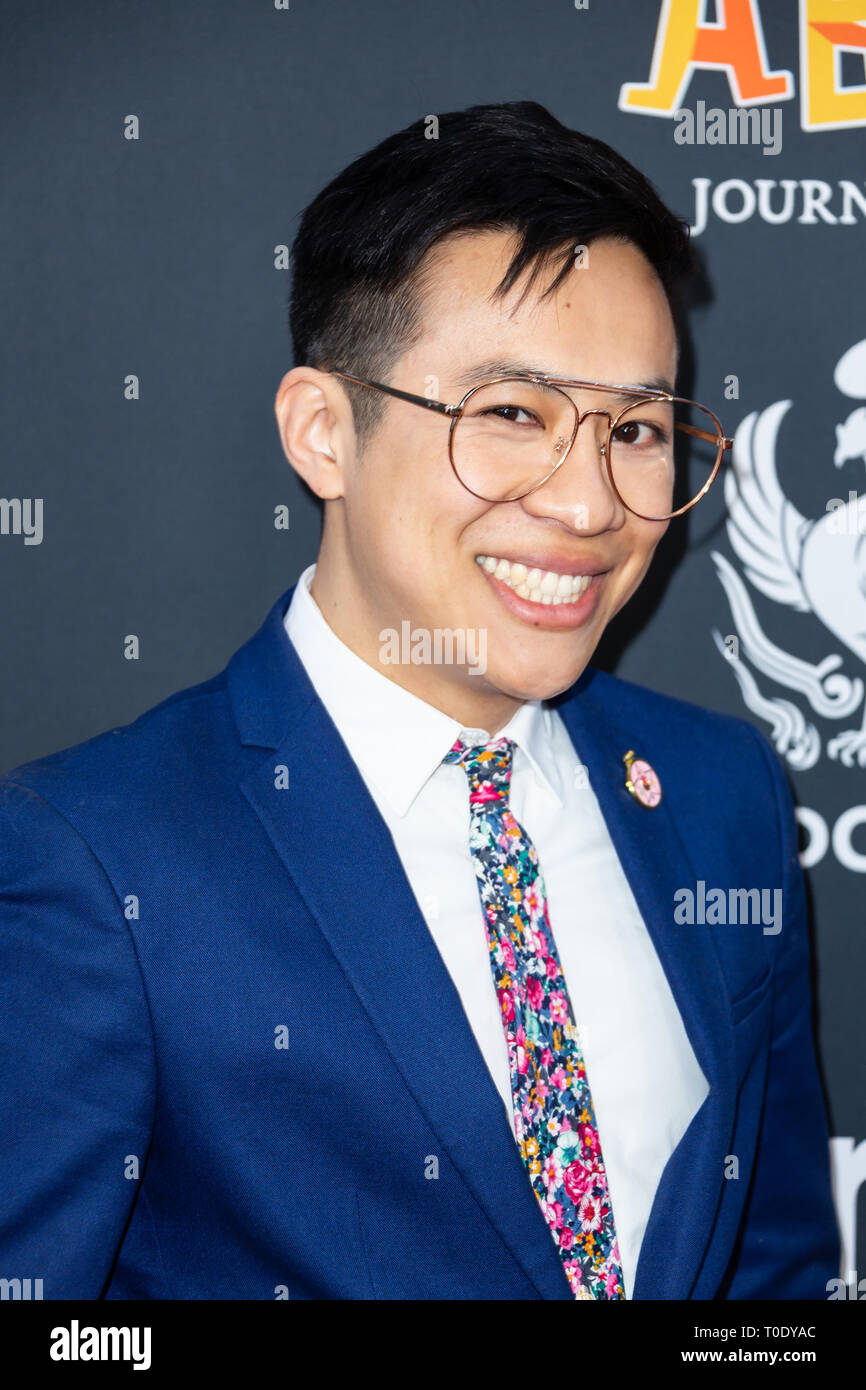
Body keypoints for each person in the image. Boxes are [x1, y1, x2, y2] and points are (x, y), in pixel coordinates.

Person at [0, 100, 839, 1300]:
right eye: (512, 415)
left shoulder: (720, 795)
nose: (590, 503)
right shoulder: (93, 857)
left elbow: (773, 1278)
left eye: (637, 429)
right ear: (323, 431)